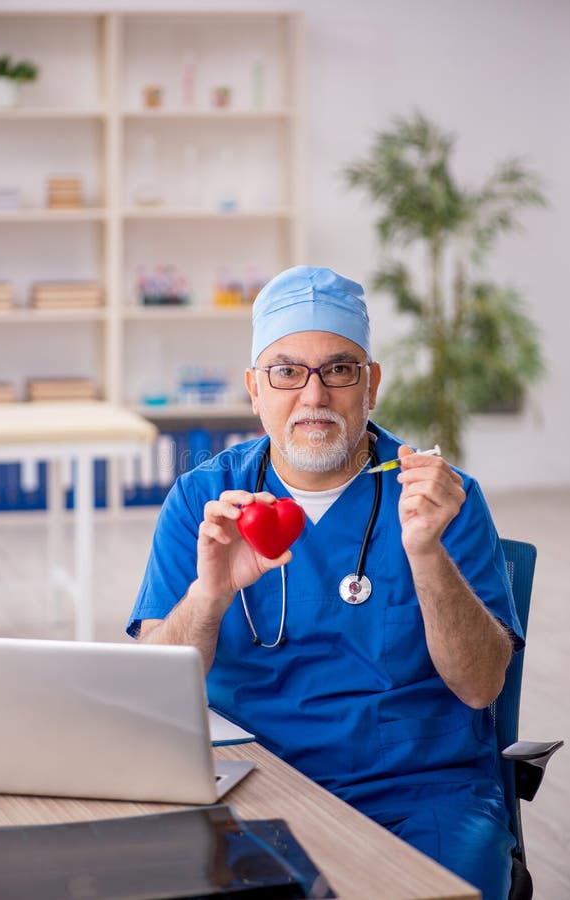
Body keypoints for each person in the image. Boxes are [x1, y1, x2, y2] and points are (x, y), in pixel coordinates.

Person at [128, 265, 523, 900]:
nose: (313, 397)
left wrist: (425, 553)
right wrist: (211, 592)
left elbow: (481, 687)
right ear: (255, 389)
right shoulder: (203, 501)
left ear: (371, 386)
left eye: (338, 370)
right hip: (251, 786)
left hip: (420, 793)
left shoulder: (442, 499)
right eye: (286, 372)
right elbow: (149, 690)